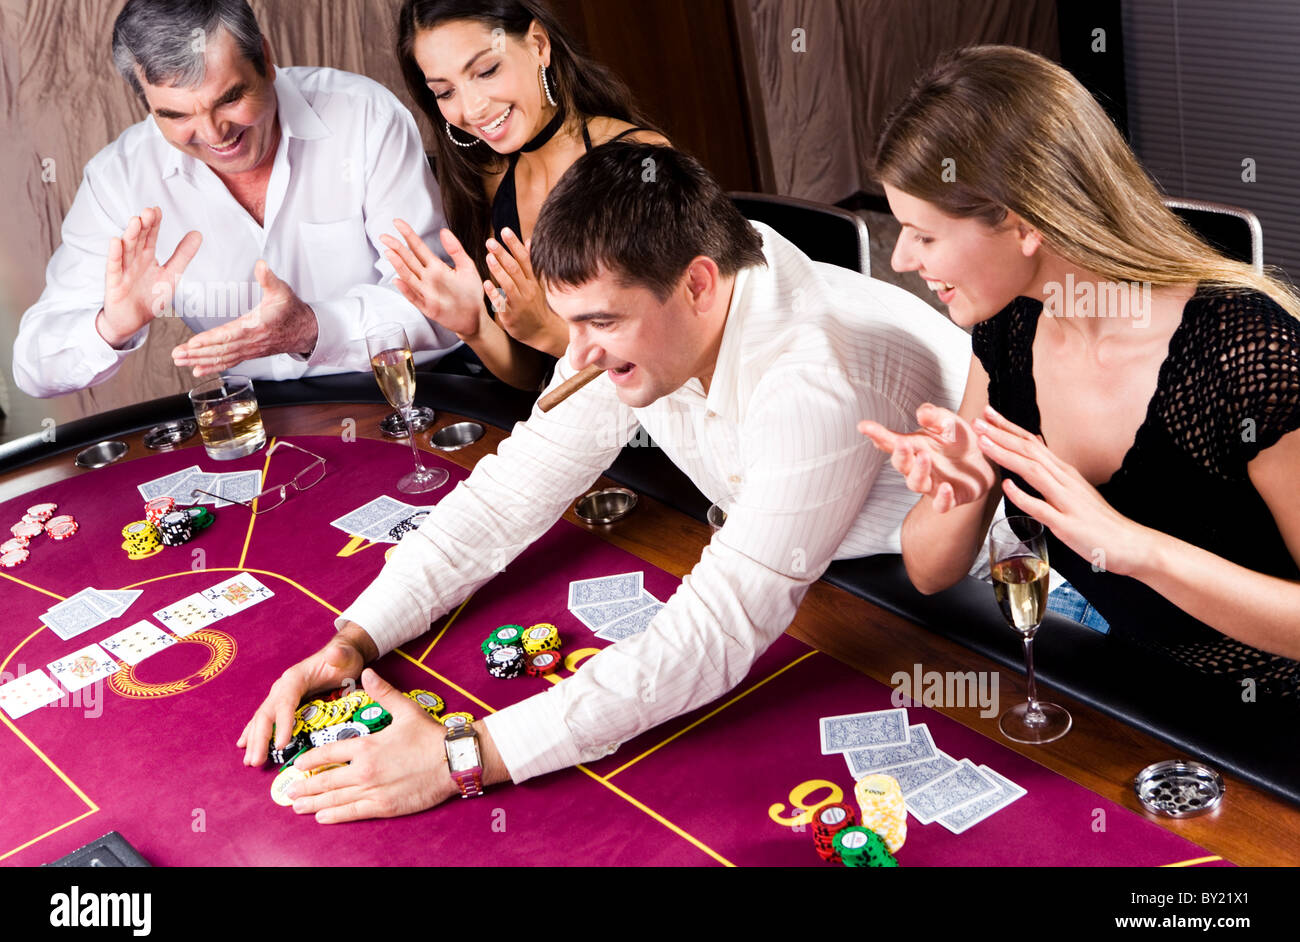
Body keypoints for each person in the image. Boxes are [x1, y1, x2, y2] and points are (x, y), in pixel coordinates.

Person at [237, 143, 974, 821]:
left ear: (698, 285)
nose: (578, 356)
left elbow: (716, 632)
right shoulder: (648, 291)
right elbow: (512, 492)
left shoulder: (810, 383)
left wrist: (459, 758)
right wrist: (356, 637)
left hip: (962, 595)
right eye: (570, 323)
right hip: (814, 559)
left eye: (600, 324)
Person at [858, 46, 1300, 698]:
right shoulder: (1007, 329)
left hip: (1273, 718)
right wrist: (963, 485)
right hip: (1135, 690)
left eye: (923, 235)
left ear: (1021, 225)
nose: (899, 258)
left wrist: (1133, 547)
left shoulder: (1247, 353)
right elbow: (928, 573)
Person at [13, 0, 461, 399]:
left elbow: (441, 309)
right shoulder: (118, 178)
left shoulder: (364, 116)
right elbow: (32, 368)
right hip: (251, 418)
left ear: (265, 59)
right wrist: (112, 325)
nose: (213, 134)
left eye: (229, 99)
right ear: (146, 104)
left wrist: (310, 328)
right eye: (176, 115)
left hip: (403, 393)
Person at [379, 0, 669, 390]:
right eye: (445, 92)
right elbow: (533, 376)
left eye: (486, 71)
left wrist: (547, 330)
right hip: (562, 426)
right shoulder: (491, 177)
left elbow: (666, 363)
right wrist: (475, 326)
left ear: (538, 44)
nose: (473, 109)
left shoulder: (641, 161)